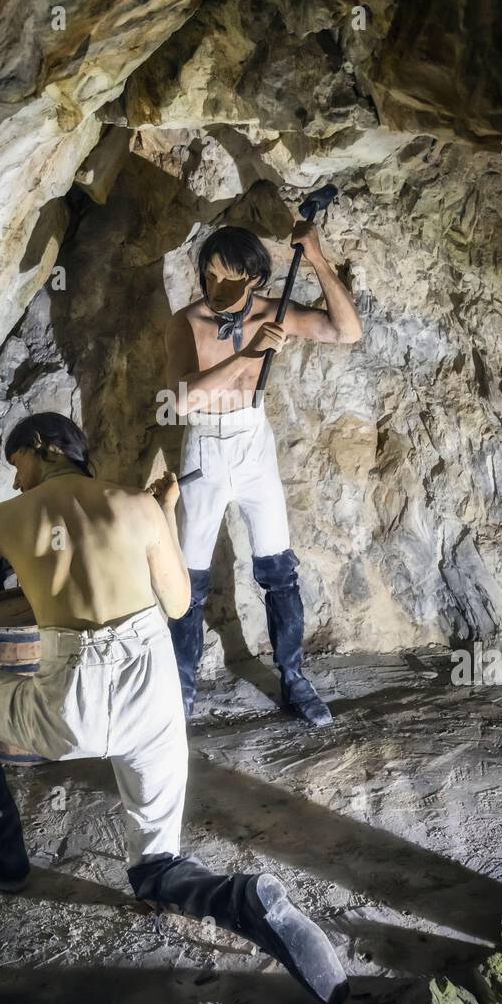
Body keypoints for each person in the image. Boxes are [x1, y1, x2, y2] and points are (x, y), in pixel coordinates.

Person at [0, 412, 348, 1004]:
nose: (17, 481)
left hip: (68, 706)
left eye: (18, 464)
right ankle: (241, 900)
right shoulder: (137, 505)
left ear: (42, 446)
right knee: (156, 866)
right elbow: (177, 603)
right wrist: (163, 511)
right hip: (154, 694)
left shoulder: (6, 519)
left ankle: (1, 853)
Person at [164, 220, 362, 726]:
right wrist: (248, 355)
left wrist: (316, 257)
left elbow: (347, 332)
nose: (217, 288)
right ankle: (181, 689)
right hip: (205, 446)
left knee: (278, 569)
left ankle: (293, 678)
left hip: (254, 443)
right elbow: (181, 400)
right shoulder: (186, 322)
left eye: (230, 278)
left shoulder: (274, 312)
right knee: (189, 577)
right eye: (210, 276)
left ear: (254, 278)